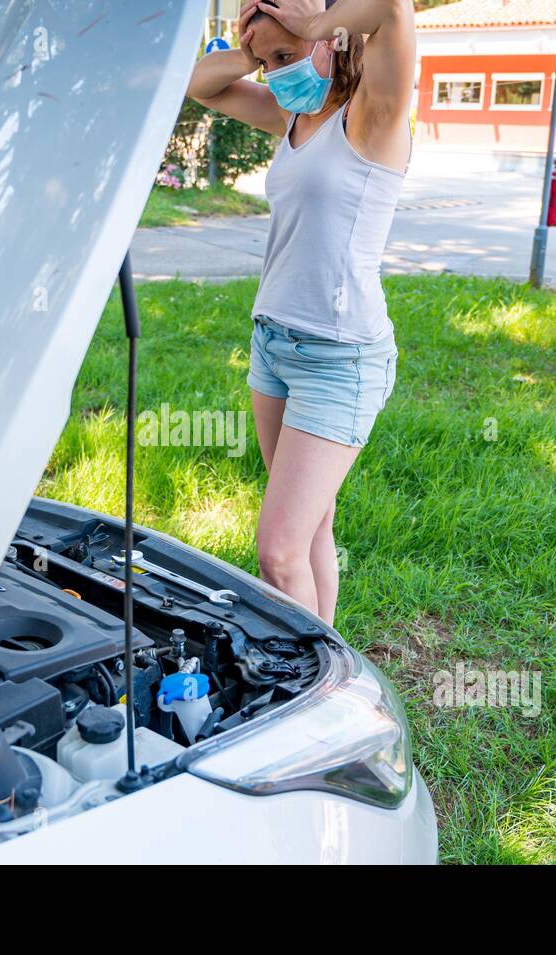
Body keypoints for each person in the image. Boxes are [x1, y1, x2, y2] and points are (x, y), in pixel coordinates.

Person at [187, 0, 414, 624]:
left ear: (333, 38)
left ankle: (307, 689)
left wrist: (312, 23)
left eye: (285, 60)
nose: (275, 75)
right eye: (268, 66)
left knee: (278, 553)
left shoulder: (375, 115)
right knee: (312, 529)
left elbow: (394, 9)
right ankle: (330, 674)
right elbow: (199, 86)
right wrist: (256, 45)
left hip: (340, 356)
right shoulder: (292, 114)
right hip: (274, 344)